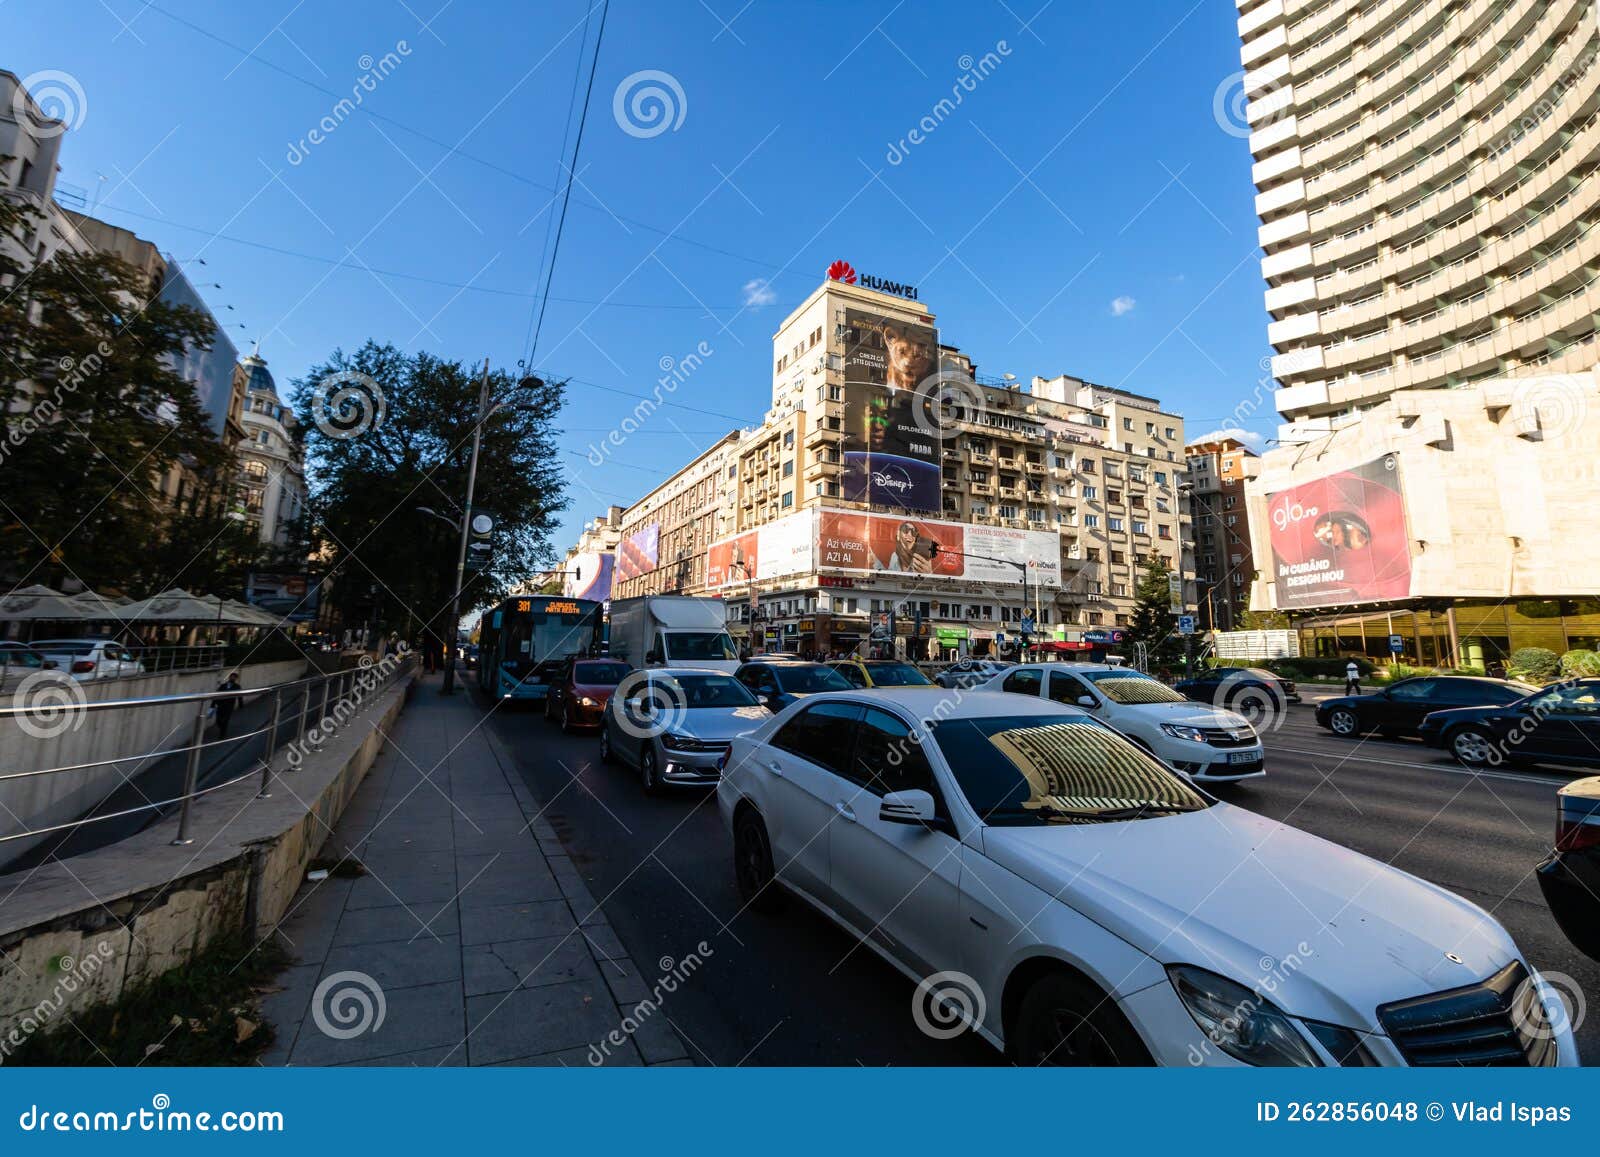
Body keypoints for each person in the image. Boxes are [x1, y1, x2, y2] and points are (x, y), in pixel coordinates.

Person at [214, 671, 243, 739]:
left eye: (234, 677)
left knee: (225, 720)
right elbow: (216, 695)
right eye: (231, 677)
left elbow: (240, 696)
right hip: (220, 705)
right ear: (229, 677)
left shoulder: (237, 686)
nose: (232, 678)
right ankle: (222, 729)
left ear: (236, 679)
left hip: (229, 706)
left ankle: (222, 735)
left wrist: (240, 705)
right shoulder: (223, 685)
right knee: (218, 720)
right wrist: (213, 705)